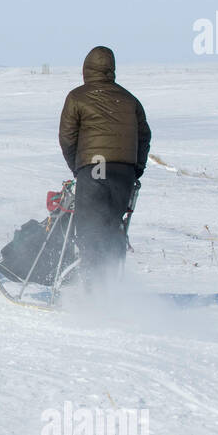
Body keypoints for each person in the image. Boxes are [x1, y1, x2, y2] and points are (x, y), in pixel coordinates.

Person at [57, 46, 151, 285]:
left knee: (89, 229)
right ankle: (110, 287)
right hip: (124, 173)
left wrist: (78, 167)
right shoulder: (130, 100)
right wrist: (135, 169)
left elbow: (67, 137)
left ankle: (89, 292)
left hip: (95, 168)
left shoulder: (77, 97)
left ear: (86, 69)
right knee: (112, 226)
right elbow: (144, 136)